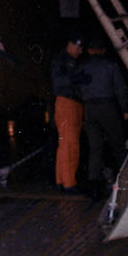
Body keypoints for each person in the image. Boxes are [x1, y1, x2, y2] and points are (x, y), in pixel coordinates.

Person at [77, 39, 128, 201]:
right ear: (103, 50)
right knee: (118, 145)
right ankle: (126, 182)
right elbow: (120, 88)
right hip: (107, 107)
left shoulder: (82, 67)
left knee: (95, 148)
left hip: (89, 109)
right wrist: (125, 110)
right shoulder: (110, 65)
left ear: (88, 51)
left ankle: (94, 189)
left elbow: (77, 88)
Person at [48, 33, 87, 194]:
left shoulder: (69, 61)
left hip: (73, 103)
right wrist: (77, 79)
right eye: (77, 47)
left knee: (66, 144)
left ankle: (62, 180)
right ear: (69, 45)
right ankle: (69, 183)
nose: (79, 50)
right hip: (67, 103)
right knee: (70, 144)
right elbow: (58, 81)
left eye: (81, 48)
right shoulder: (61, 61)